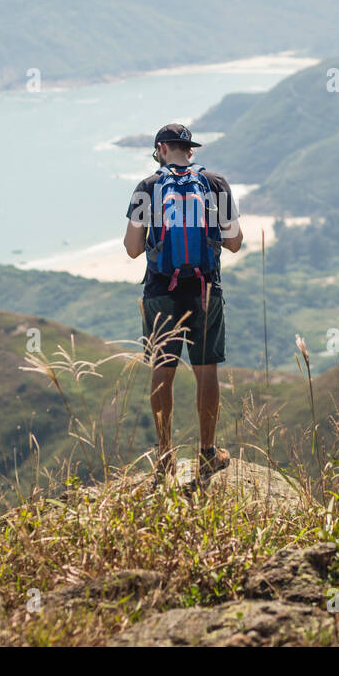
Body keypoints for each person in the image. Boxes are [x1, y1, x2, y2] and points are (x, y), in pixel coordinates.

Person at [124, 123, 243, 488]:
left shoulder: (147, 187)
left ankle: (165, 455)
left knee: (163, 370)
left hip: (160, 291)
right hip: (206, 289)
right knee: (206, 370)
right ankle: (208, 452)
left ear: (161, 149)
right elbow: (235, 242)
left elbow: (132, 248)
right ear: (189, 150)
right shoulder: (216, 184)